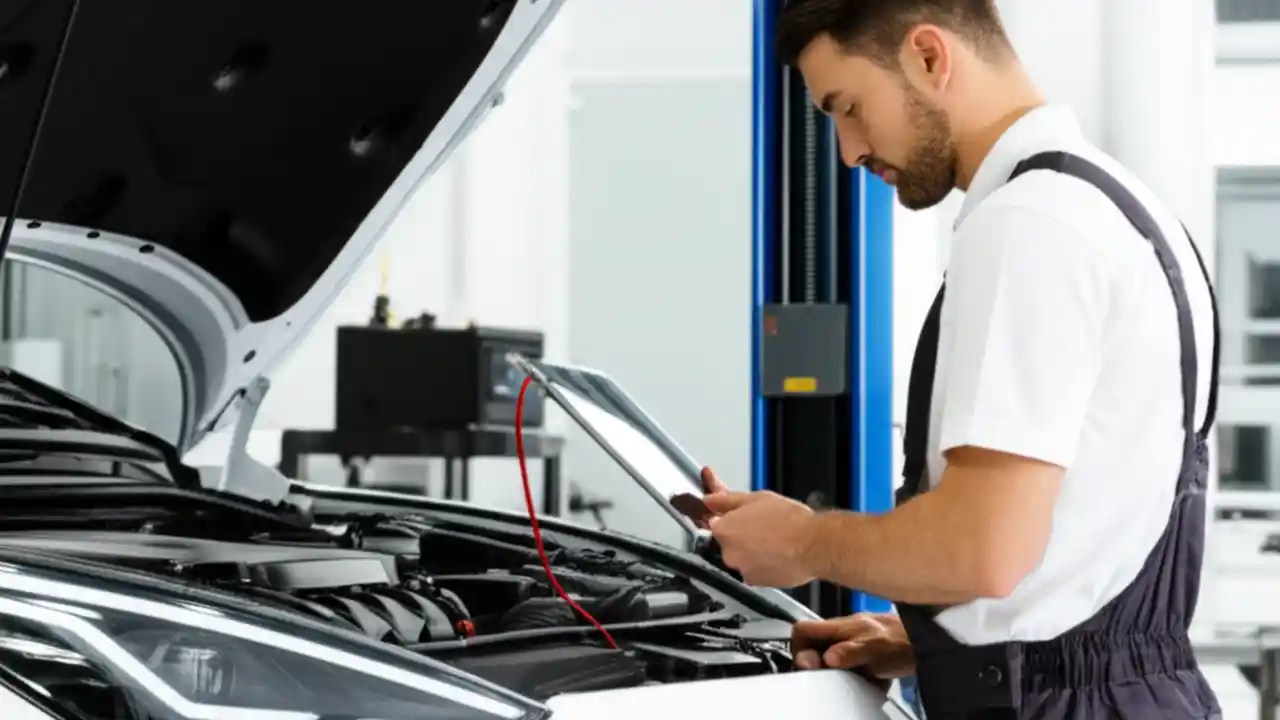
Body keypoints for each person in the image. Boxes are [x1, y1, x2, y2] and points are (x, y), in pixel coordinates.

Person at [699, 1, 1222, 718]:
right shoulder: (1121, 207)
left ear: (928, 56)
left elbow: (984, 549)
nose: (849, 150)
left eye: (848, 107)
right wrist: (935, 642)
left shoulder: (1028, 226)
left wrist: (805, 542)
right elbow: (1090, 533)